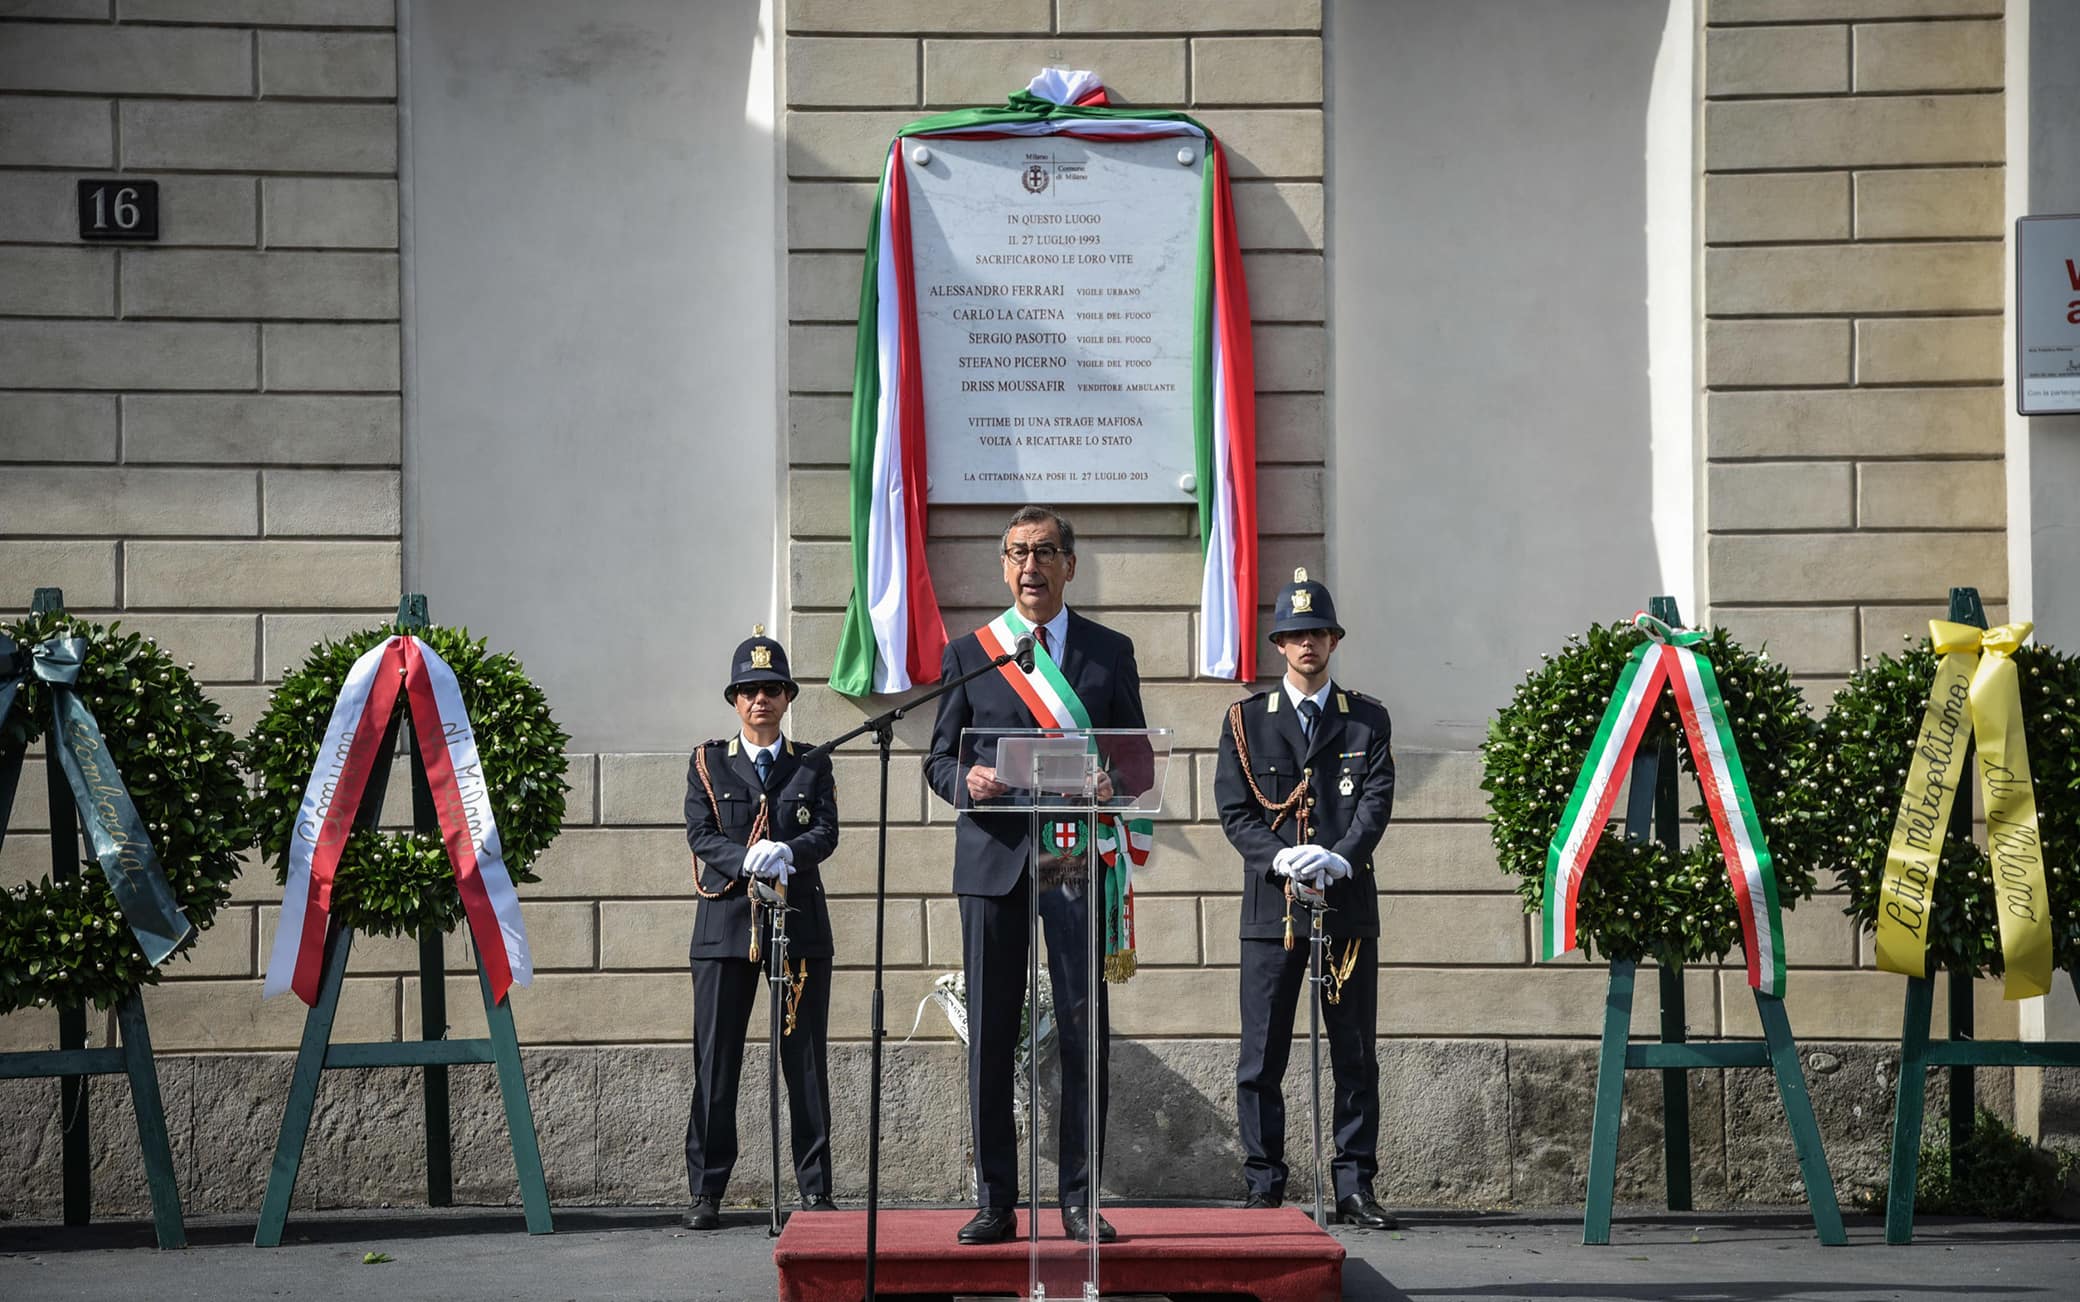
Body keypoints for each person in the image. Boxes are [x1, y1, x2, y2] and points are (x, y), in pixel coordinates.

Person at [925, 505, 1147, 1245]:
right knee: (991, 1029)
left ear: (1069, 565)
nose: (1031, 566)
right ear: (1003, 564)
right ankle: (995, 1200)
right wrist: (969, 781)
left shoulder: (1108, 651)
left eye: (1045, 552)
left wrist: (1115, 783)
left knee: (1086, 1025)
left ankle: (1080, 1201)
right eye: (1018, 552)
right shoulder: (971, 653)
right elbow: (937, 758)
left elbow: (1136, 759)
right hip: (992, 857)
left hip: (1069, 859)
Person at [1214, 569, 1399, 1229]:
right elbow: (1235, 812)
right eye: (1295, 635)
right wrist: (1277, 859)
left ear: (1333, 640)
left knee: (1354, 1055)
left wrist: (1340, 857)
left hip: (1345, 910)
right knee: (1262, 1057)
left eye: (1317, 632)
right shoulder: (1245, 722)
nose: (1307, 645)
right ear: (1279, 645)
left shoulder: (1366, 720)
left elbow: (1374, 804)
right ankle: (1264, 1183)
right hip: (1274, 915)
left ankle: (1354, 1186)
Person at [681, 628, 841, 1230]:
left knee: (804, 1062)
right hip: (725, 929)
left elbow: (826, 831)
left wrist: (789, 853)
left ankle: (816, 1190)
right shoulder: (708, 763)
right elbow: (700, 833)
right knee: (716, 1064)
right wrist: (744, 857)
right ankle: (706, 1191)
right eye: (748, 690)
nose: (760, 700)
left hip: (796, 930)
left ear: (787, 697)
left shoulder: (812, 763)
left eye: (772, 688)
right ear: (734, 700)